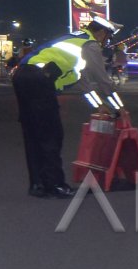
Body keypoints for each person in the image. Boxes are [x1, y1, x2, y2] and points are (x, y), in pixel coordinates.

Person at [12, 16, 125, 199]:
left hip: (23, 76)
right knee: (51, 135)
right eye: (108, 37)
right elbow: (102, 80)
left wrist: (100, 105)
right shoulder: (90, 44)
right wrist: (119, 108)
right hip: (40, 80)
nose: (107, 42)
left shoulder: (74, 39)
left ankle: (38, 184)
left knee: (33, 134)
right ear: (102, 33)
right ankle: (57, 185)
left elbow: (84, 83)